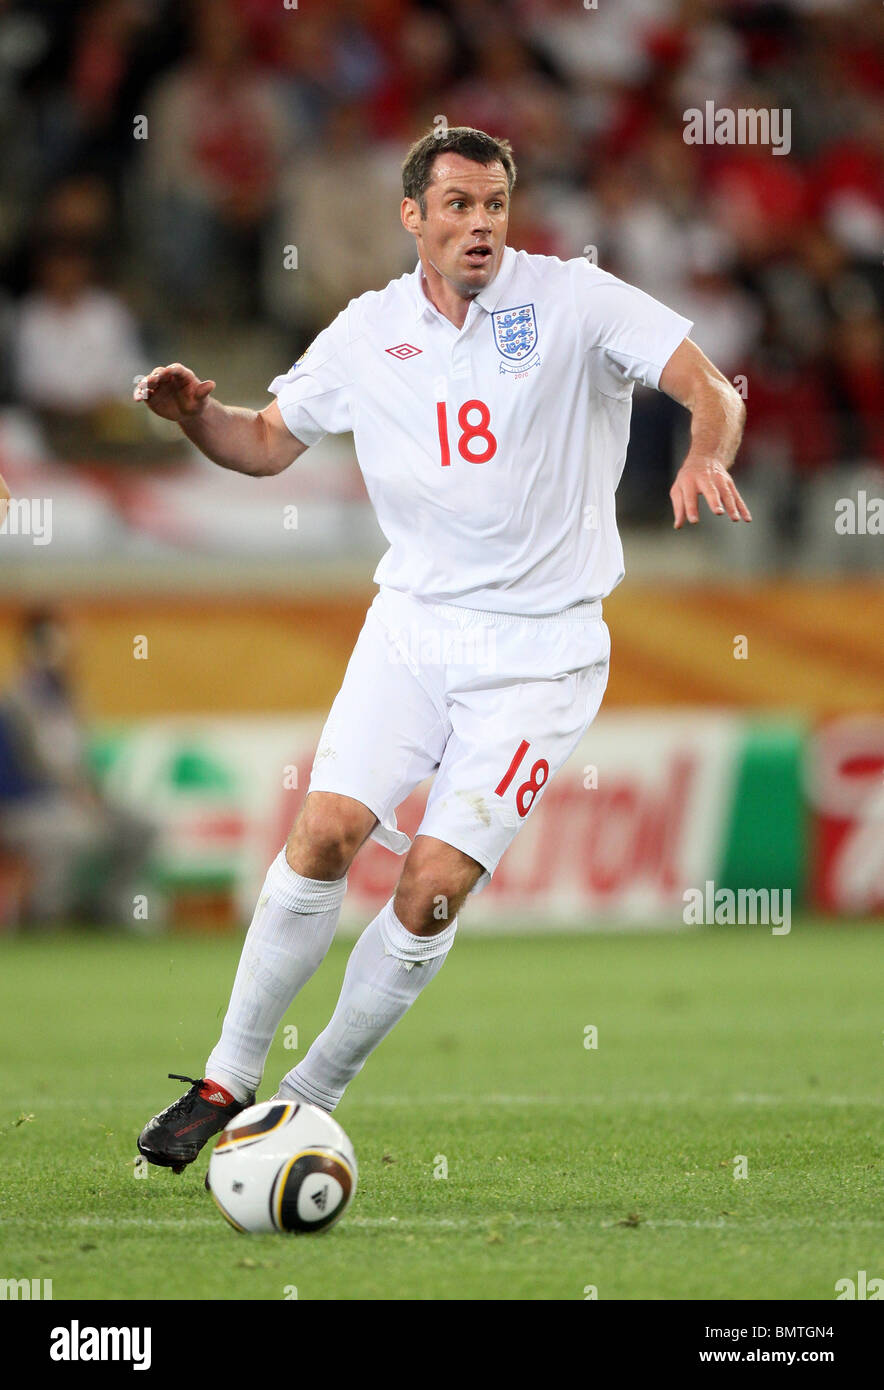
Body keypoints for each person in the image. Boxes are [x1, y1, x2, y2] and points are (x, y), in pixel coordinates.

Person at [134, 127, 749, 1172]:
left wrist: (701, 450)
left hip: (541, 655)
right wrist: (196, 417)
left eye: (494, 204)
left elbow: (711, 387)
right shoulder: (367, 331)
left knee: (427, 887)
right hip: (413, 631)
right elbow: (265, 442)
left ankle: (302, 1100)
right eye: (457, 205)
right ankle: (221, 1083)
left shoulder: (572, 298)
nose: (478, 225)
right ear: (411, 216)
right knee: (322, 834)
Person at [0, 609, 156, 926]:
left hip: (75, 800)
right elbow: (15, 777)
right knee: (79, 834)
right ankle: (44, 916)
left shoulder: (70, 699)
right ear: (35, 645)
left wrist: (91, 795)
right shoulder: (15, 703)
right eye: (58, 641)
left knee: (140, 828)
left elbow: (81, 763)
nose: (68, 649)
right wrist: (67, 795)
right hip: (27, 805)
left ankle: (105, 907)